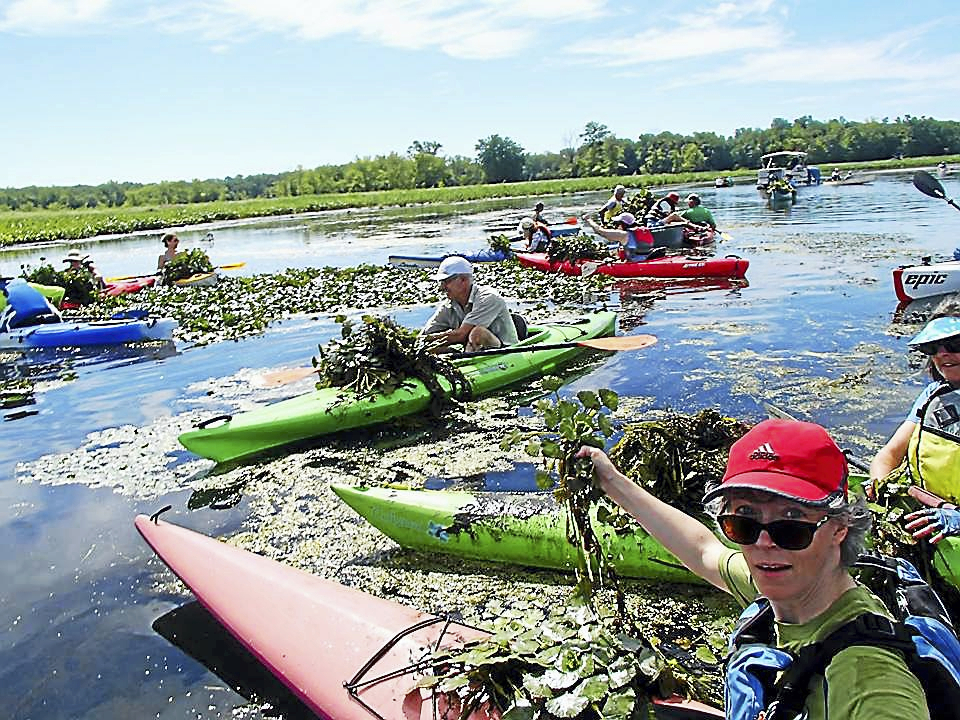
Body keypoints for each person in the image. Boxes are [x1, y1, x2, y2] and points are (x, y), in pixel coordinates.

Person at [577, 419, 927, 720]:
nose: (763, 542)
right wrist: (610, 480)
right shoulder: (792, 590)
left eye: (792, 521)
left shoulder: (872, 681)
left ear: (840, 527)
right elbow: (703, 552)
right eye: (743, 521)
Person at [871, 302, 960, 514]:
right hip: (927, 510)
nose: (942, 354)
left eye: (954, 344)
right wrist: (879, 488)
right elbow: (889, 456)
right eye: (932, 347)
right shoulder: (932, 396)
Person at [419, 256, 518, 353]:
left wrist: (428, 339)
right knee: (430, 349)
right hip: (471, 349)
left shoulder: (488, 298)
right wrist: (417, 340)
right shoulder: (448, 305)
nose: (442, 287)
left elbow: (461, 335)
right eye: (441, 282)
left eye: (446, 281)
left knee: (478, 332)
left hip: (505, 349)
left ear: (463, 280)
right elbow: (427, 332)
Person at [583, 212, 652, 261]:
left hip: (636, 262)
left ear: (623, 224)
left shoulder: (623, 235)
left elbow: (600, 231)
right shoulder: (643, 230)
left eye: (618, 223)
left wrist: (589, 220)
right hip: (647, 257)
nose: (617, 226)